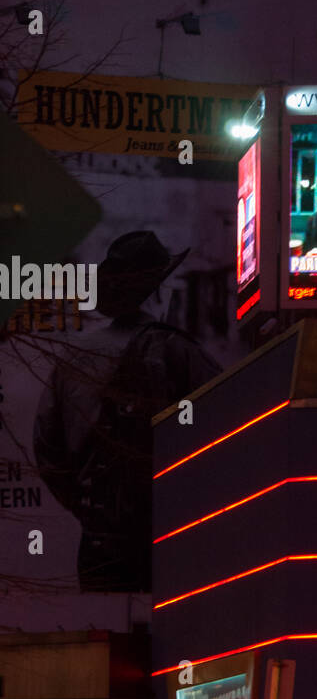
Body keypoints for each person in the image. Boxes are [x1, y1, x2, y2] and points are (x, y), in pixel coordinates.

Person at [33, 231, 221, 591]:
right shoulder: (177, 351)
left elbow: (46, 449)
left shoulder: (72, 357)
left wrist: (88, 510)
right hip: (168, 543)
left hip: (98, 545)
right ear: (159, 291)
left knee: (110, 644)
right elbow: (232, 426)